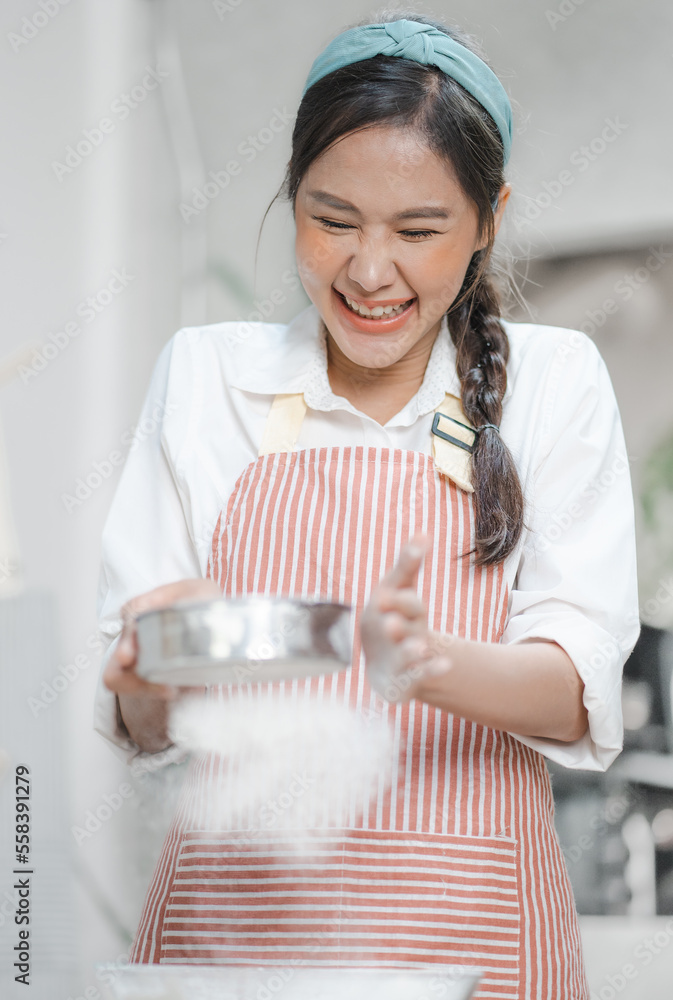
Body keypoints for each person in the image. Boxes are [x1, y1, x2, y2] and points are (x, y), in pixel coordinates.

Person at [94, 12, 640, 999]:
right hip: (234, 948)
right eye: (331, 219)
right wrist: (153, 667)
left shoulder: (554, 384)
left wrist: (426, 664)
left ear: (488, 218)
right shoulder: (206, 377)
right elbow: (142, 719)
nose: (368, 269)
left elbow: (578, 684)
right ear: (290, 198)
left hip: (472, 947)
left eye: (418, 230)